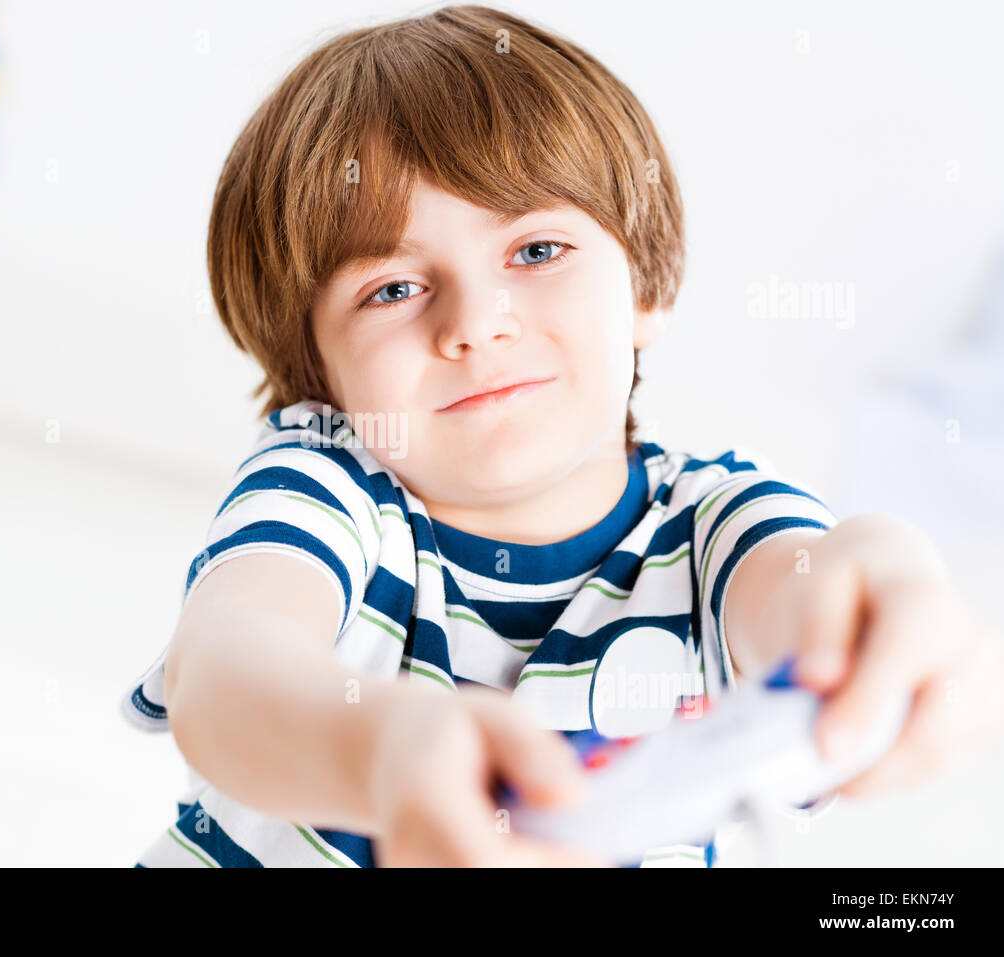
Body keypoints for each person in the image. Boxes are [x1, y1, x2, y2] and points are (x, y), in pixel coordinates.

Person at [125, 4, 1004, 867]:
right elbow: (226, 670)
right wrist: (385, 748)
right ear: (318, 373)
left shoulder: (714, 520)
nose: (478, 323)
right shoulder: (324, 484)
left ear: (646, 291)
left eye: (536, 251)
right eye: (391, 289)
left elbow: (821, 579)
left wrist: (889, 584)